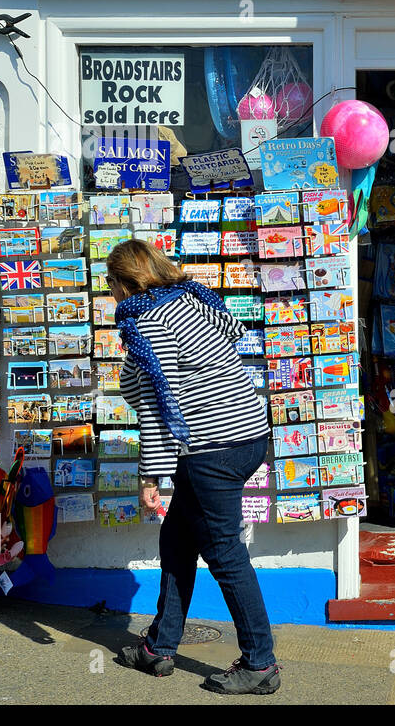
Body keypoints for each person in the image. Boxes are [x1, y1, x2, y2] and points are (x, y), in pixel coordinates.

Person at [107, 239, 280, 695]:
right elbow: (155, 380)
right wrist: (136, 368)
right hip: (247, 436)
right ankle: (159, 648)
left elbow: (160, 404)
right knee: (178, 540)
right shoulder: (191, 301)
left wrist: (151, 475)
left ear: (127, 284)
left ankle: (260, 663)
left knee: (225, 554)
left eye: (110, 283)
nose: (109, 294)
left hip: (212, 449)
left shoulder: (149, 322)